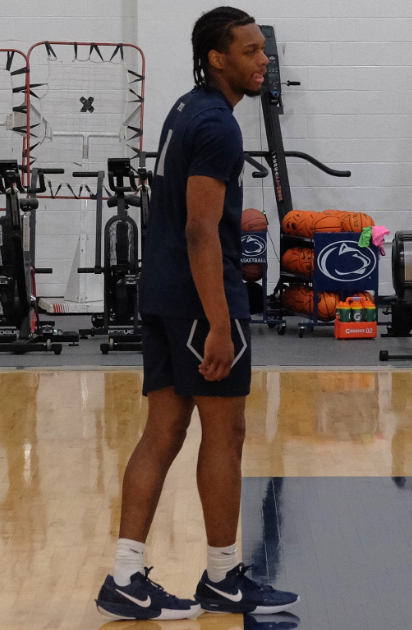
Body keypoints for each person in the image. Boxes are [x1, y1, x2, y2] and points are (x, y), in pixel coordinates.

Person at [94, 7, 299, 621]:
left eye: (263, 49)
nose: (263, 59)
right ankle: (222, 577)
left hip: (162, 295)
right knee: (225, 434)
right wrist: (216, 322)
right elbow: (200, 230)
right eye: (250, 50)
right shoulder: (218, 126)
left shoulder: (187, 107)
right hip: (199, 300)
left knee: (163, 433)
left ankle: (126, 577)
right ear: (217, 58)